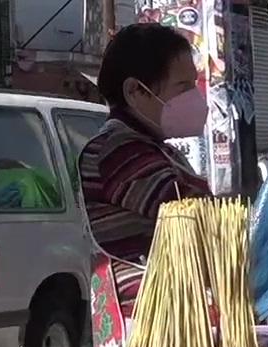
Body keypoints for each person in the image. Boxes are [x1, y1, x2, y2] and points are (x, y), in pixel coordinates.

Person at [80, 23, 212, 313]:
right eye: (183, 87)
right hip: (146, 319)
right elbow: (190, 211)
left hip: (175, 310)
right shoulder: (117, 149)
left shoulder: (158, 148)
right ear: (136, 92)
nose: (194, 96)